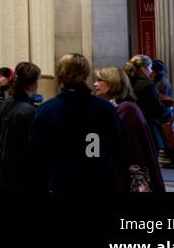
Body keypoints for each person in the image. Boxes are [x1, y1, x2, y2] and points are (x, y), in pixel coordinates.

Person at [30, 53, 121, 192]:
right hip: (99, 180)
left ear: (59, 76)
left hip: (62, 182)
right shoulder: (106, 108)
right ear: (86, 74)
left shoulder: (46, 110)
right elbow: (117, 143)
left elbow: (37, 151)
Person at [95, 65, 165, 192]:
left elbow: (132, 148)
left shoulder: (126, 109)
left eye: (100, 80)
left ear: (112, 82)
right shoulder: (121, 106)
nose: (95, 84)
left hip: (129, 176)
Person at [0, 61, 42, 192]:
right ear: (33, 83)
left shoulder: (8, 102)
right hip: (19, 173)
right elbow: (29, 146)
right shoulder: (27, 111)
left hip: (4, 168)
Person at [126, 54, 174, 168]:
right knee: (149, 160)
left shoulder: (127, 84)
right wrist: (168, 117)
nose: (151, 71)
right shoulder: (148, 85)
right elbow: (156, 107)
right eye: (150, 67)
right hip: (148, 124)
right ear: (143, 68)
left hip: (130, 124)